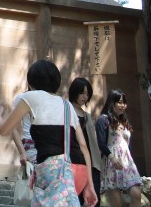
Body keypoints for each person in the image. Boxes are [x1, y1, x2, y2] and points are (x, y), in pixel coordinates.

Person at [0, 59, 97, 207]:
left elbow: (4, 130)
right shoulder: (67, 105)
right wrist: (90, 185)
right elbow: (83, 147)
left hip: (51, 171)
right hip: (76, 170)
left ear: (31, 83)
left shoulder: (30, 97)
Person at [96, 90, 142, 207]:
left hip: (127, 163)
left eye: (124, 103)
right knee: (116, 204)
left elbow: (126, 144)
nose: (123, 106)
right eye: (120, 102)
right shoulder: (103, 119)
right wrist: (112, 158)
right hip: (111, 162)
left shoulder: (123, 121)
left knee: (136, 194)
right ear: (112, 102)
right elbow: (101, 143)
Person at [69, 77, 103, 206]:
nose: (85, 96)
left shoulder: (87, 116)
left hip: (89, 163)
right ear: (74, 91)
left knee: (93, 200)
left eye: (87, 94)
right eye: (82, 92)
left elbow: (92, 142)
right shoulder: (66, 110)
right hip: (71, 161)